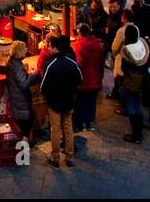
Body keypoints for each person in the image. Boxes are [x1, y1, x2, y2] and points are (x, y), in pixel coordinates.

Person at [38, 35, 82, 168]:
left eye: (51, 47)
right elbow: (80, 79)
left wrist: (50, 96)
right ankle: (69, 157)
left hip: (54, 103)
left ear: (56, 48)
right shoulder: (72, 63)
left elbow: (43, 87)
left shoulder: (51, 65)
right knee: (68, 129)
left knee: (55, 130)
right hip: (68, 102)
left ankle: (55, 158)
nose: (49, 49)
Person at [120, 24, 150, 144]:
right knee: (137, 105)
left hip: (130, 82)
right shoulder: (142, 45)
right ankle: (139, 131)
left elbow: (124, 68)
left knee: (131, 107)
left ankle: (136, 135)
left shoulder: (127, 50)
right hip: (142, 80)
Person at [73, 23, 104, 132]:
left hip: (84, 79)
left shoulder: (79, 46)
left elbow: (79, 64)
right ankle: (90, 122)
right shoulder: (97, 44)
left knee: (82, 101)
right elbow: (101, 61)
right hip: (95, 77)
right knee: (92, 101)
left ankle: (83, 123)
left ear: (80, 33)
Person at [6, 41, 36, 143]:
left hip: (16, 98)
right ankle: (24, 147)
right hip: (21, 100)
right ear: (20, 51)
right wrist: (33, 75)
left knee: (22, 124)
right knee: (27, 122)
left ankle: (22, 145)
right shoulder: (17, 65)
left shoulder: (11, 61)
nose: (27, 49)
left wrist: (25, 70)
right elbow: (23, 84)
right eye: (25, 48)